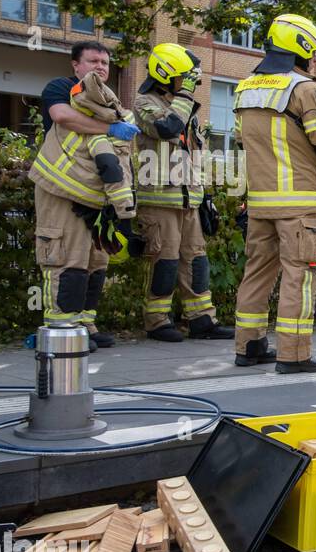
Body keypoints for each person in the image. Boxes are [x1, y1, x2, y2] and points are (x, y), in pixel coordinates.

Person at [231, 13, 316, 374]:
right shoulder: (305, 90)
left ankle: (248, 346)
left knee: (257, 273)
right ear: (298, 50)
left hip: (261, 202)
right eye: (314, 53)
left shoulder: (245, 89)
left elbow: (242, 143)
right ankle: (294, 354)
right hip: (299, 203)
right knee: (300, 275)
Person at [132, 42, 234, 342]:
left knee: (196, 259)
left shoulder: (183, 106)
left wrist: (204, 196)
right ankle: (156, 320)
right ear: (165, 75)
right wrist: (187, 95)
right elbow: (166, 128)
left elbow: (192, 154)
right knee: (165, 259)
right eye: (183, 79)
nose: (187, 85)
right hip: (160, 200)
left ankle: (202, 319)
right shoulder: (145, 103)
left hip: (189, 199)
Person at [28, 72, 137, 344]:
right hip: (62, 196)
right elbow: (113, 171)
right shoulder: (67, 98)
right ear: (77, 66)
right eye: (94, 62)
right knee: (68, 263)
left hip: (89, 202)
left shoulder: (101, 125)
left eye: (105, 62)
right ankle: (64, 332)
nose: (101, 68)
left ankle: (85, 325)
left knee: (95, 263)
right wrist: (126, 216)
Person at [40, 41, 138, 144]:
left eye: (104, 63)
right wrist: (111, 129)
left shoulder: (108, 97)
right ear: (75, 65)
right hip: (63, 158)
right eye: (93, 61)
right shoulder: (59, 86)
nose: (100, 66)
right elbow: (61, 115)